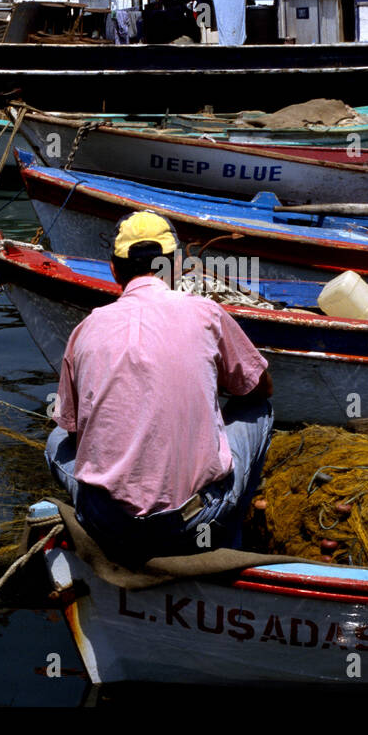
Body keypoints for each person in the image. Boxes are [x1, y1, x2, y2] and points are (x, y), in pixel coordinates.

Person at [45, 212, 274, 564]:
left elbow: (71, 427)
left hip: (109, 522)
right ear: (176, 265)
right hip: (194, 519)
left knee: (55, 439)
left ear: (114, 270)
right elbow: (260, 389)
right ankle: (227, 538)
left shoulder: (86, 328)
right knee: (260, 412)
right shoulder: (206, 313)